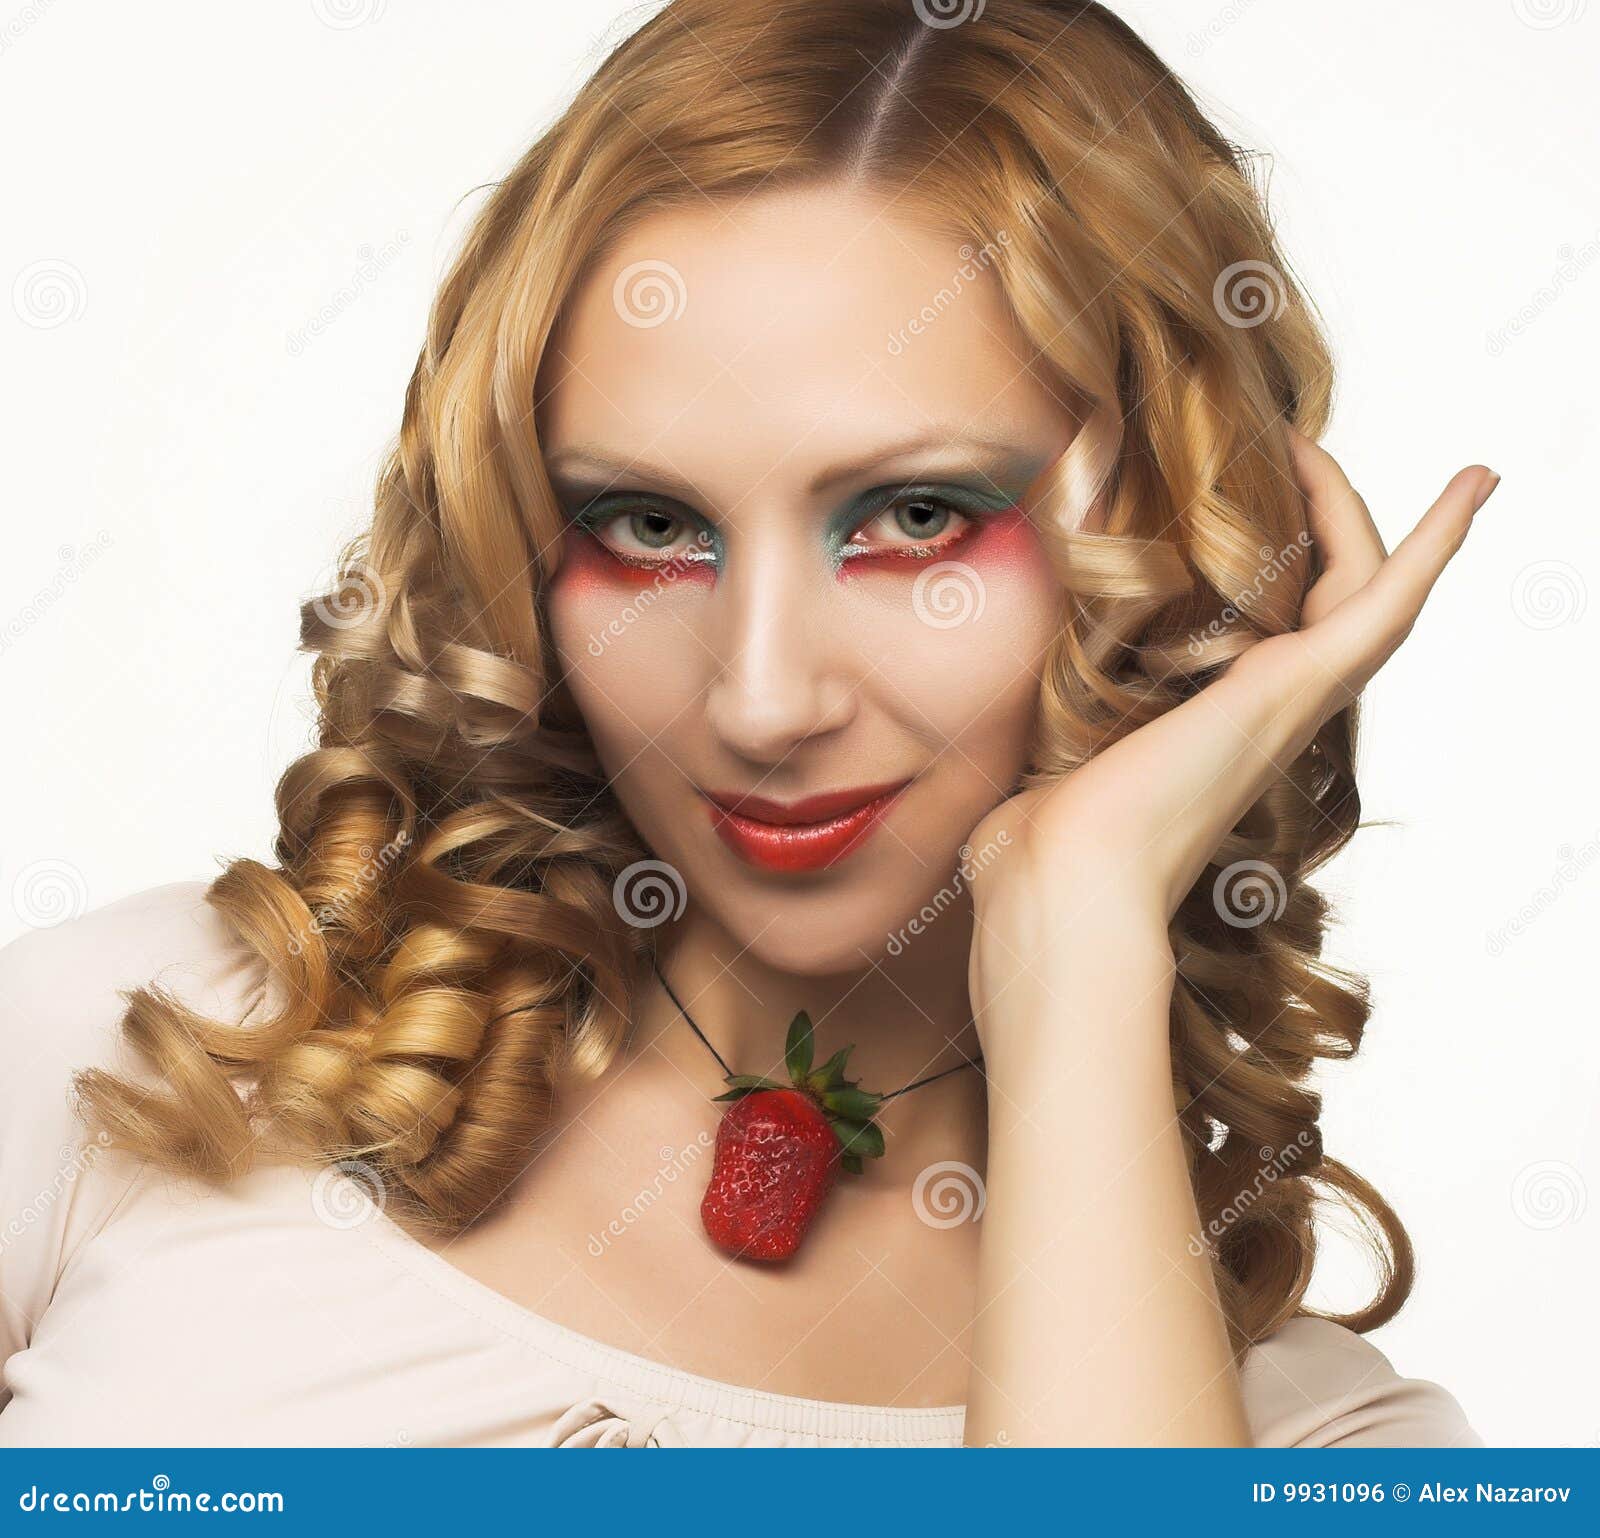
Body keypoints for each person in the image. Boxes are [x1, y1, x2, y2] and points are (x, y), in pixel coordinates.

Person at [0, 0, 1489, 1447]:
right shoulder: (149, 1056)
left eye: (916, 517)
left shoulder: (1320, 1447)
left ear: (1172, 533)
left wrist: (1079, 921)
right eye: (649, 525)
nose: (763, 700)